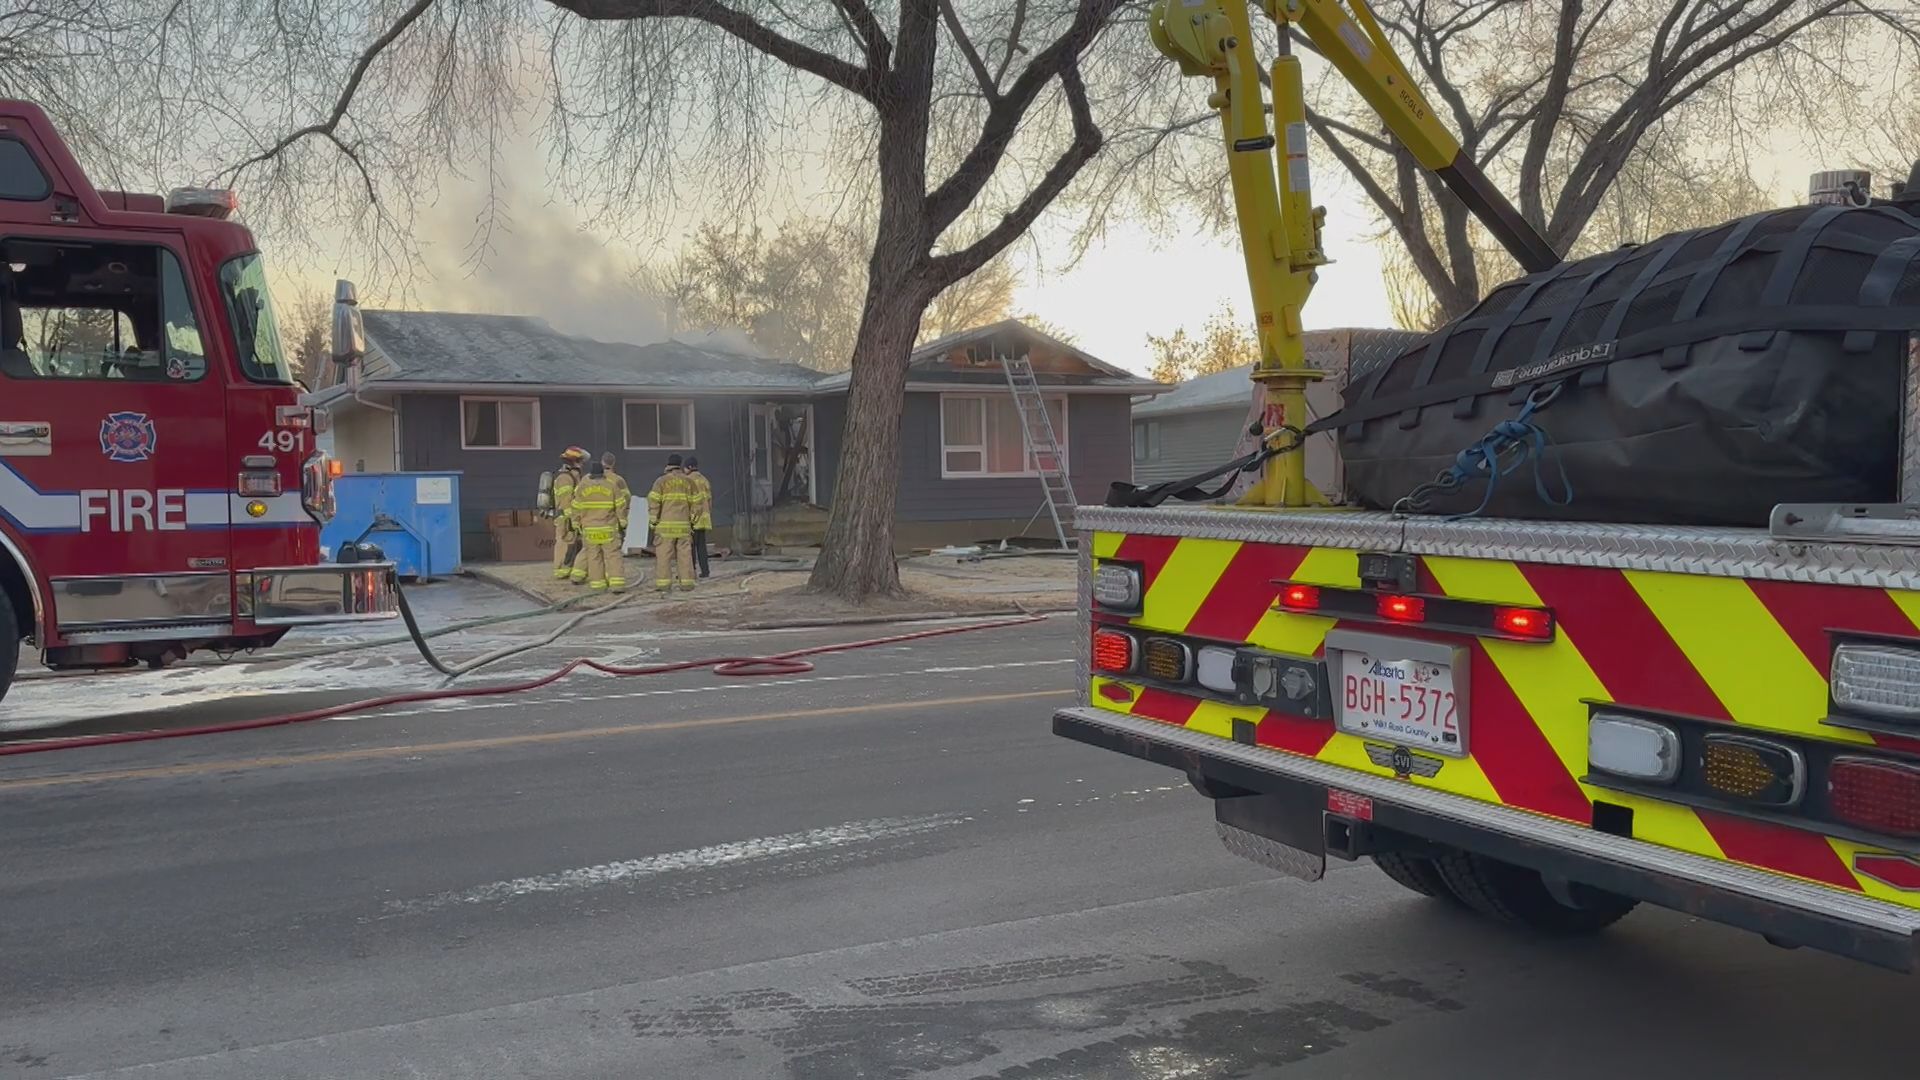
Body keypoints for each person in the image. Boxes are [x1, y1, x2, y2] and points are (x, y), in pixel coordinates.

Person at [567, 461, 626, 592]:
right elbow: (620, 505)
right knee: (613, 556)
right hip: (608, 528)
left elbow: (575, 507)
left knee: (593, 557)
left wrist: (575, 523)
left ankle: (598, 585)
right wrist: (623, 523)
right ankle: (617, 585)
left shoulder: (582, 487)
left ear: (591, 474)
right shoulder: (611, 486)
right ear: (602, 473)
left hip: (589, 529)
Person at [646, 454, 698, 592]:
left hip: (665, 528)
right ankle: (687, 584)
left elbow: (654, 502)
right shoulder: (689, 482)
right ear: (680, 465)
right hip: (683, 527)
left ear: (668, 465)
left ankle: (664, 584)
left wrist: (653, 520)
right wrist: (692, 520)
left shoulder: (660, 482)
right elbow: (697, 504)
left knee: (664, 556)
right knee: (685, 555)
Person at [551, 446, 589, 582]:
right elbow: (566, 502)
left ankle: (569, 569)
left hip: (572, 518)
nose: (582, 465)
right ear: (574, 462)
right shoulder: (565, 478)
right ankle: (561, 571)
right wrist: (572, 520)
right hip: (565, 519)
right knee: (564, 544)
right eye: (581, 461)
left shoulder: (574, 477)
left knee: (573, 544)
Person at [684, 455, 713, 579]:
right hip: (704, 519)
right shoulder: (704, 480)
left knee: (689, 547)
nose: (684, 470)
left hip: (693, 518)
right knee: (701, 547)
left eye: (685, 468)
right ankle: (705, 571)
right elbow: (709, 500)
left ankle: (691, 572)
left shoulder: (688, 480)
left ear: (690, 467)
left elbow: (687, 501)